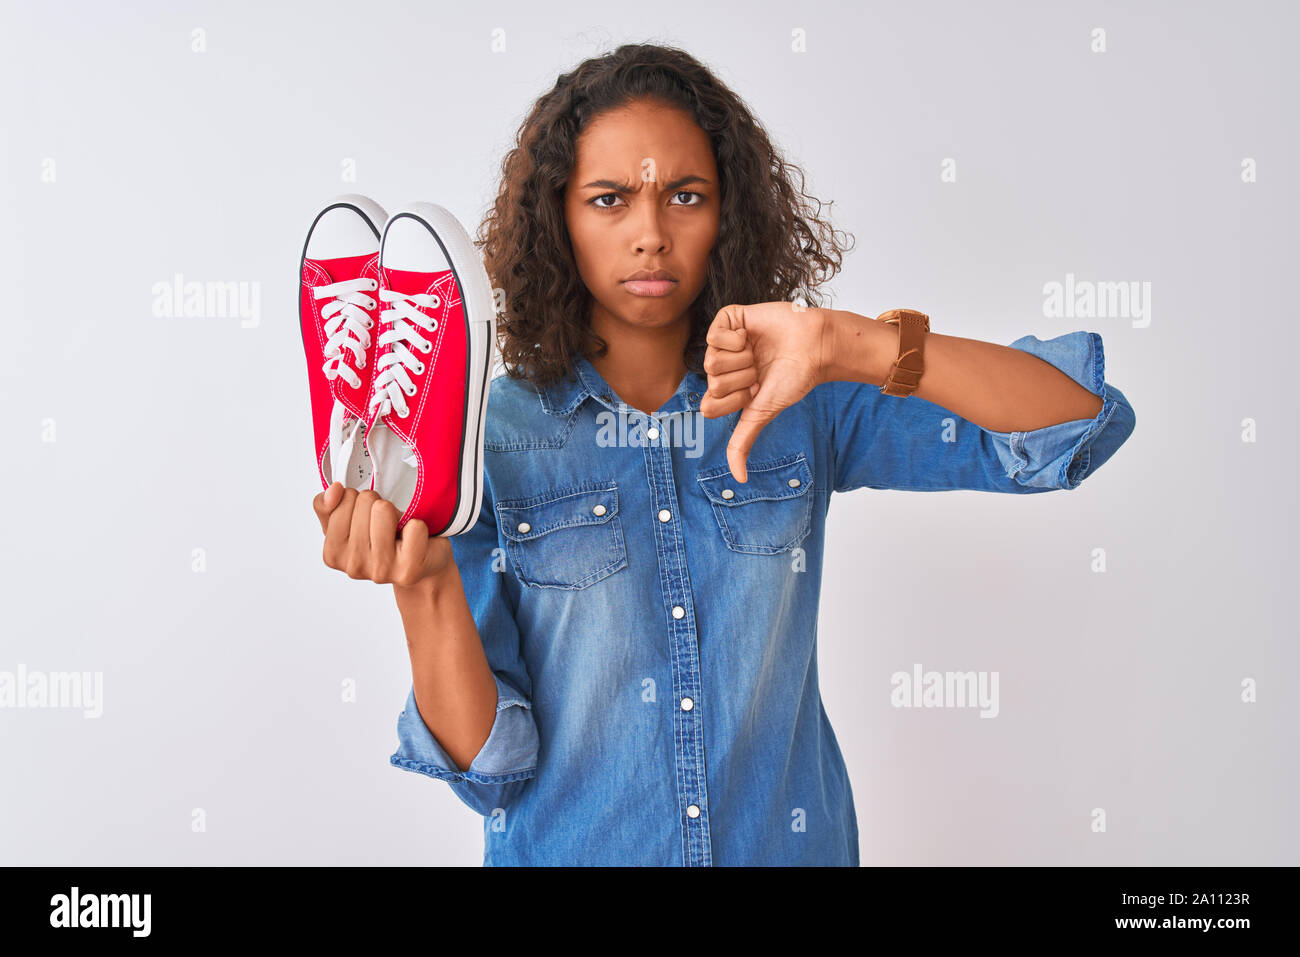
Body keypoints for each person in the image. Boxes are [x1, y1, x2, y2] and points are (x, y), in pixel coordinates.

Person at [311, 42, 1136, 866]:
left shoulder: (804, 399)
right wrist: (423, 583)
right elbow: (489, 771)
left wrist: (845, 341)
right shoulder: (485, 437)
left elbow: (1078, 421)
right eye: (609, 199)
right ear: (557, 218)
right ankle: (372, 421)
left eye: (684, 196)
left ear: (726, 212)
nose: (650, 235)